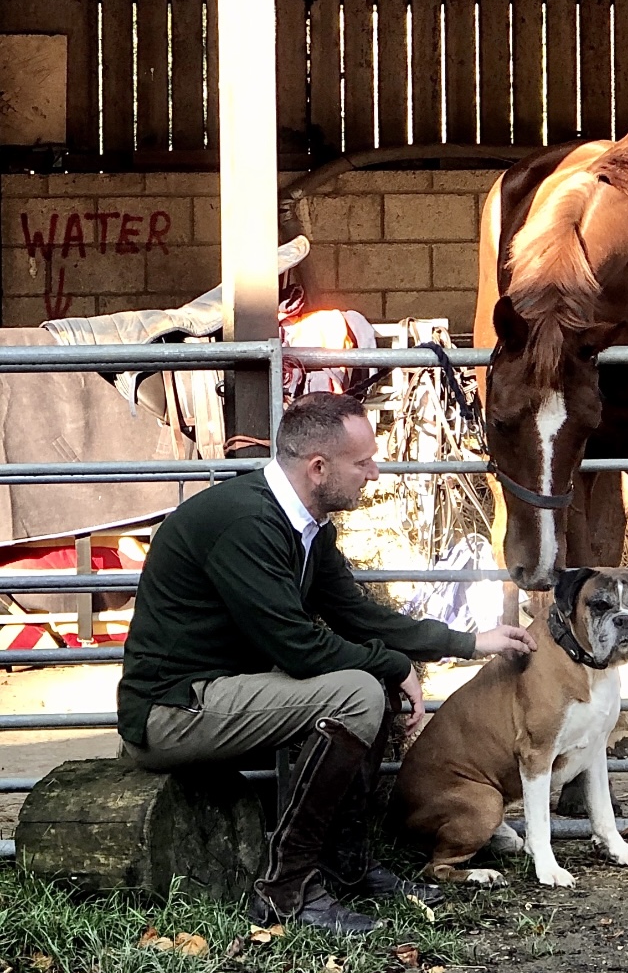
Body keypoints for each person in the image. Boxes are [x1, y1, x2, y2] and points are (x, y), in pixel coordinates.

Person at [117, 392, 535, 935]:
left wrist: (467, 641)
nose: (375, 473)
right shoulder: (246, 521)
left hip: (223, 694)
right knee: (357, 692)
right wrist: (391, 664)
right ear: (318, 468)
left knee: (367, 684)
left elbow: (355, 613)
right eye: (363, 462)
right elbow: (296, 646)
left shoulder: (305, 526)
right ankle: (286, 890)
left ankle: (346, 867)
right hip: (172, 711)